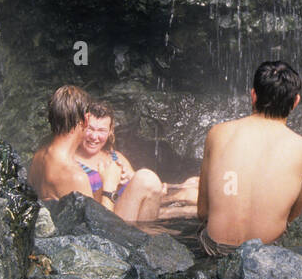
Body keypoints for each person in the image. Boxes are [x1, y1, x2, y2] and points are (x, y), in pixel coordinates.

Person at [197, 60, 302, 252]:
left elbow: (203, 212)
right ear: (295, 102)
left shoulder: (217, 133)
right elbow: (292, 221)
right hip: (265, 257)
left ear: (253, 95)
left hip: (214, 250)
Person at [78, 101, 195, 221]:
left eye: (101, 130)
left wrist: (178, 187)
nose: (94, 136)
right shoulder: (73, 165)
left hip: (134, 214)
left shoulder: (116, 157)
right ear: (81, 127)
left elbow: (139, 191)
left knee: (193, 188)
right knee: (146, 178)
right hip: (110, 222)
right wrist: (110, 183)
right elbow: (88, 215)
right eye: (90, 129)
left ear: (110, 131)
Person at [28, 85, 126, 218]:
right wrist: (109, 188)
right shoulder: (75, 176)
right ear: (86, 120)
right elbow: (100, 232)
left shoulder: (40, 154)